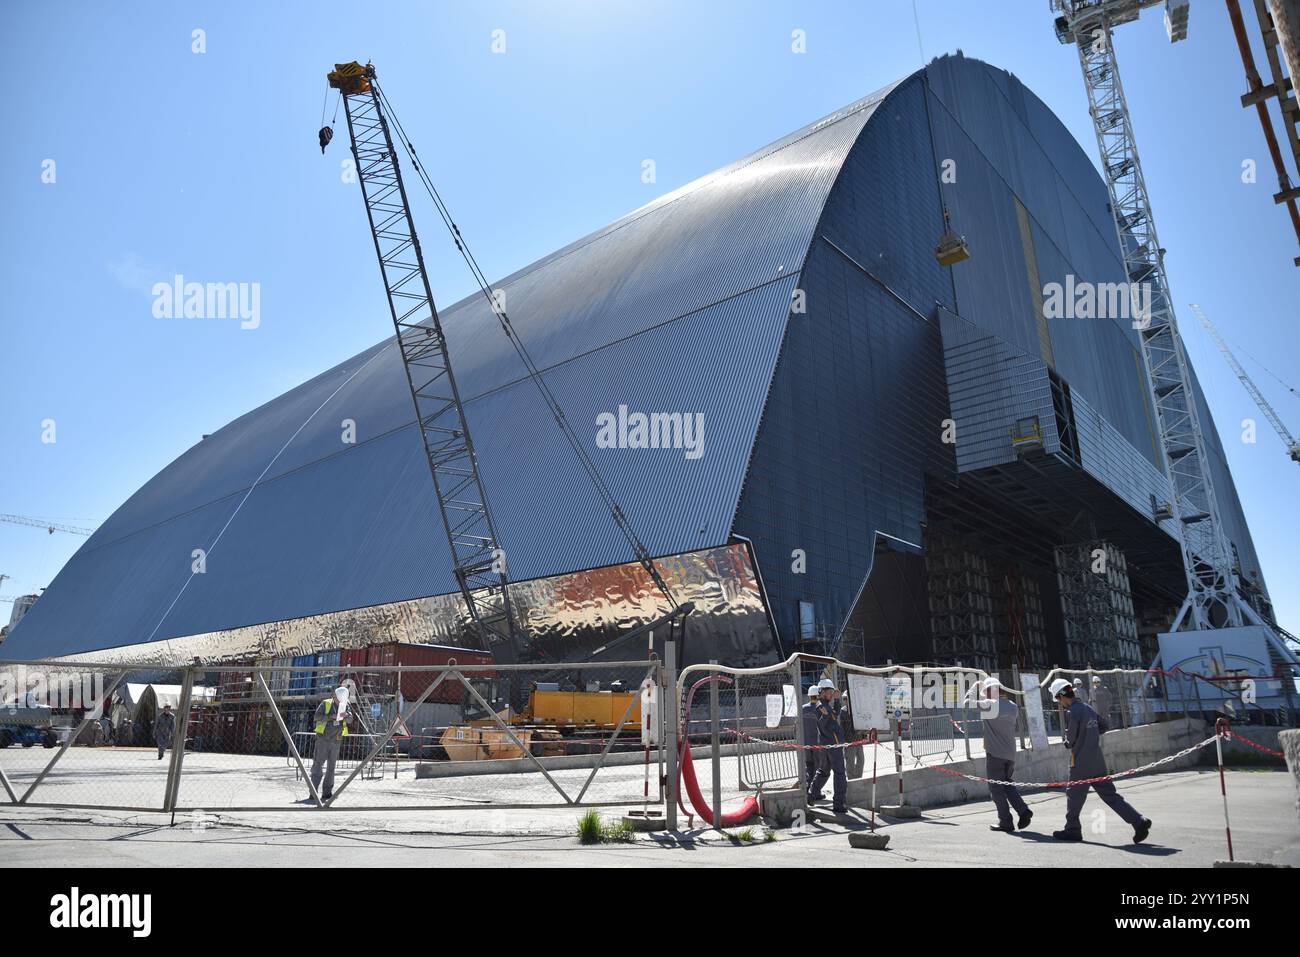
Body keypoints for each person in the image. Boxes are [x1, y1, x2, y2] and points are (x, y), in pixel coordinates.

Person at [1048, 678, 1151, 843]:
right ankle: (1139, 821)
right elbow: (1103, 725)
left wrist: (1069, 742)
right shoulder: (1088, 709)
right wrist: (1090, 736)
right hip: (1097, 761)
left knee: (1073, 796)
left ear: (1062, 696)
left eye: (1058, 700)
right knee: (1111, 795)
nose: (1060, 704)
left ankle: (1072, 829)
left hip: (1080, 763)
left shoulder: (1073, 712)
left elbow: (1071, 740)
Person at [971, 677, 1032, 833]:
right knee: (1007, 784)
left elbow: (966, 703)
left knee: (996, 789)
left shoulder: (990, 705)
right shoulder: (1012, 706)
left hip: (995, 753)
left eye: (986, 691)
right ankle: (1023, 810)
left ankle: (1006, 821)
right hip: (1010, 753)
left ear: (991, 691)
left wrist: (975, 687)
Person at [809, 678, 848, 814]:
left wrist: (837, 700)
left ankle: (811, 795)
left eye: (832, 691)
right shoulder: (821, 705)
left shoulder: (825, 704)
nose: (832, 693)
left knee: (823, 771)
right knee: (839, 774)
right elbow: (822, 723)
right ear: (822, 691)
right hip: (832, 745)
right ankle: (838, 803)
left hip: (827, 744)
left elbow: (834, 715)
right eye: (830, 691)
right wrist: (825, 716)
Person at [307, 686, 351, 803]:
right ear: (335, 696)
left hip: (336, 740)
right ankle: (313, 792)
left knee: (331, 768)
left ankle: (327, 793)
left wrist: (346, 716)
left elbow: (350, 719)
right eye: (338, 700)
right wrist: (330, 717)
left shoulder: (346, 704)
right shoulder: (325, 703)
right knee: (318, 765)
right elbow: (317, 717)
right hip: (323, 740)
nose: (339, 702)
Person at [801, 684, 825, 801]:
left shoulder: (803, 708)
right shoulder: (820, 709)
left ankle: (807, 788)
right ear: (818, 695)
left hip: (806, 743)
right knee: (818, 768)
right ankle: (816, 791)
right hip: (817, 743)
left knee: (808, 767)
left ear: (809, 696)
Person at [840, 690, 864, 779]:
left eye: (846, 699)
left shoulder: (857, 709)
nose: (845, 700)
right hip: (849, 741)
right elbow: (841, 727)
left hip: (858, 740)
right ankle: (851, 779)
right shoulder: (843, 711)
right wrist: (843, 742)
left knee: (861, 760)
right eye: (844, 699)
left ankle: (858, 777)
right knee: (850, 762)